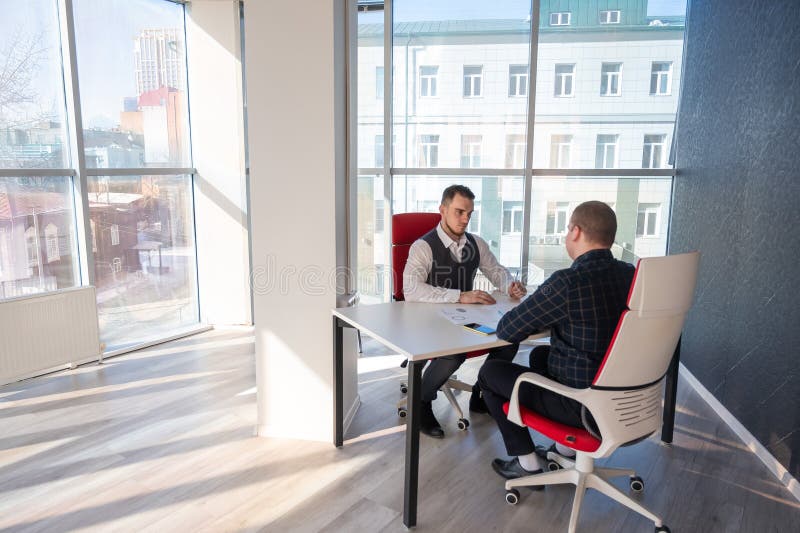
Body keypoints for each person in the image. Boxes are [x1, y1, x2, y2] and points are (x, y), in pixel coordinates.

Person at [477, 200, 635, 481]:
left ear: (575, 231)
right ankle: (565, 450)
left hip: (583, 406)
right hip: (623, 398)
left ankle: (526, 464)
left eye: (567, 230)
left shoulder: (568, 282)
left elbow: (507, 330)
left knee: (490, 373)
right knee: (540, 357)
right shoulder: (631, 276)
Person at [403, 184, 527, 438]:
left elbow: (496, 271)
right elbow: (411, 289)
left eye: (469, 213)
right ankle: (421, 403)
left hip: (462, 320)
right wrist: (459, 295)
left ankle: (481, 394)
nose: (465, 219)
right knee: (454, 354)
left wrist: (509, 285)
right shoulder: (422, 247)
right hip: (427, 321)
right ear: (442, 210)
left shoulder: (476, 243)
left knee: (507, 341)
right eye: (459, 212)